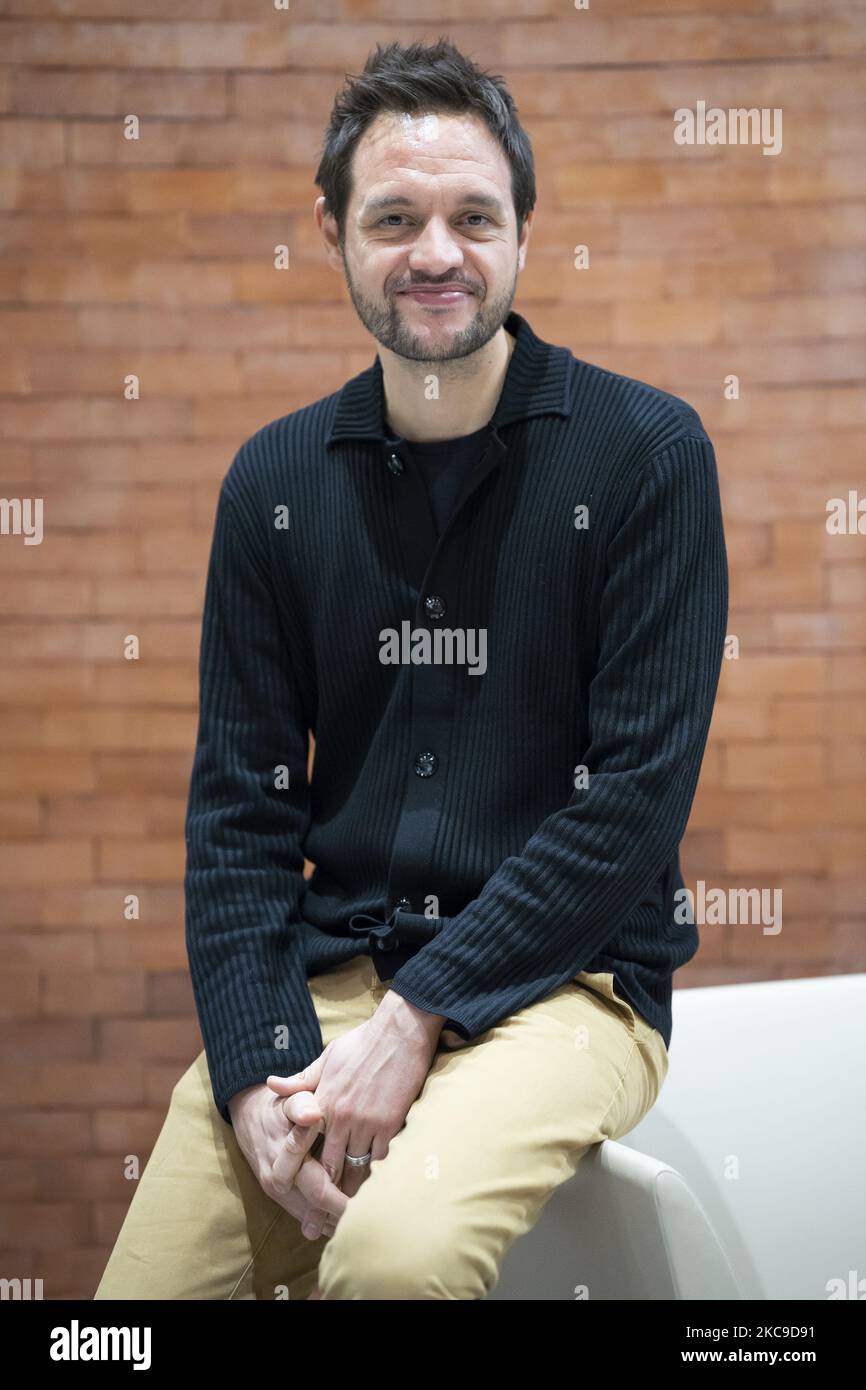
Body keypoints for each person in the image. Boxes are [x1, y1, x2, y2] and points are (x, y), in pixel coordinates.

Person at [95, 36, 728, 1302]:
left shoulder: (645, 454)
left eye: (470, 216)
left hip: (574, 989)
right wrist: (252, 1064)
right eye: (394, 217)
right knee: (125, 1317)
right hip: (330, 989)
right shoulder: (273, 483)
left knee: (391, 1258)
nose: (434, 252)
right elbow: (239, 809)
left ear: (522, 235)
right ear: (331, 231)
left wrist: (420, 1012)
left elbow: (632, 800)